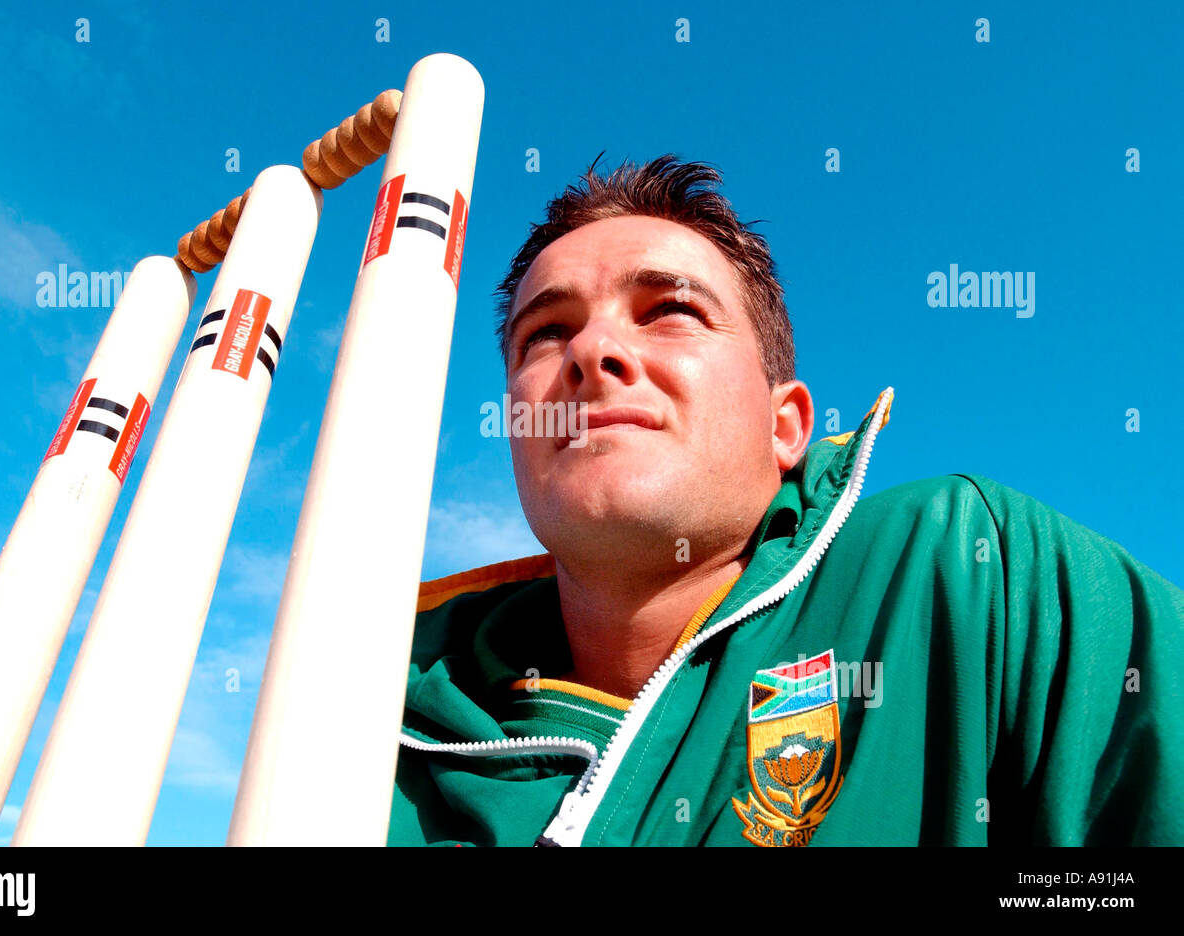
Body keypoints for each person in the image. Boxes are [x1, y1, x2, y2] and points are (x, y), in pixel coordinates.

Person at [388, 154, 1184, 846]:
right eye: (546, 333)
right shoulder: (379, 710)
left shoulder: (972, 572)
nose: (593, 351)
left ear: (786, 425)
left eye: (670, 311)